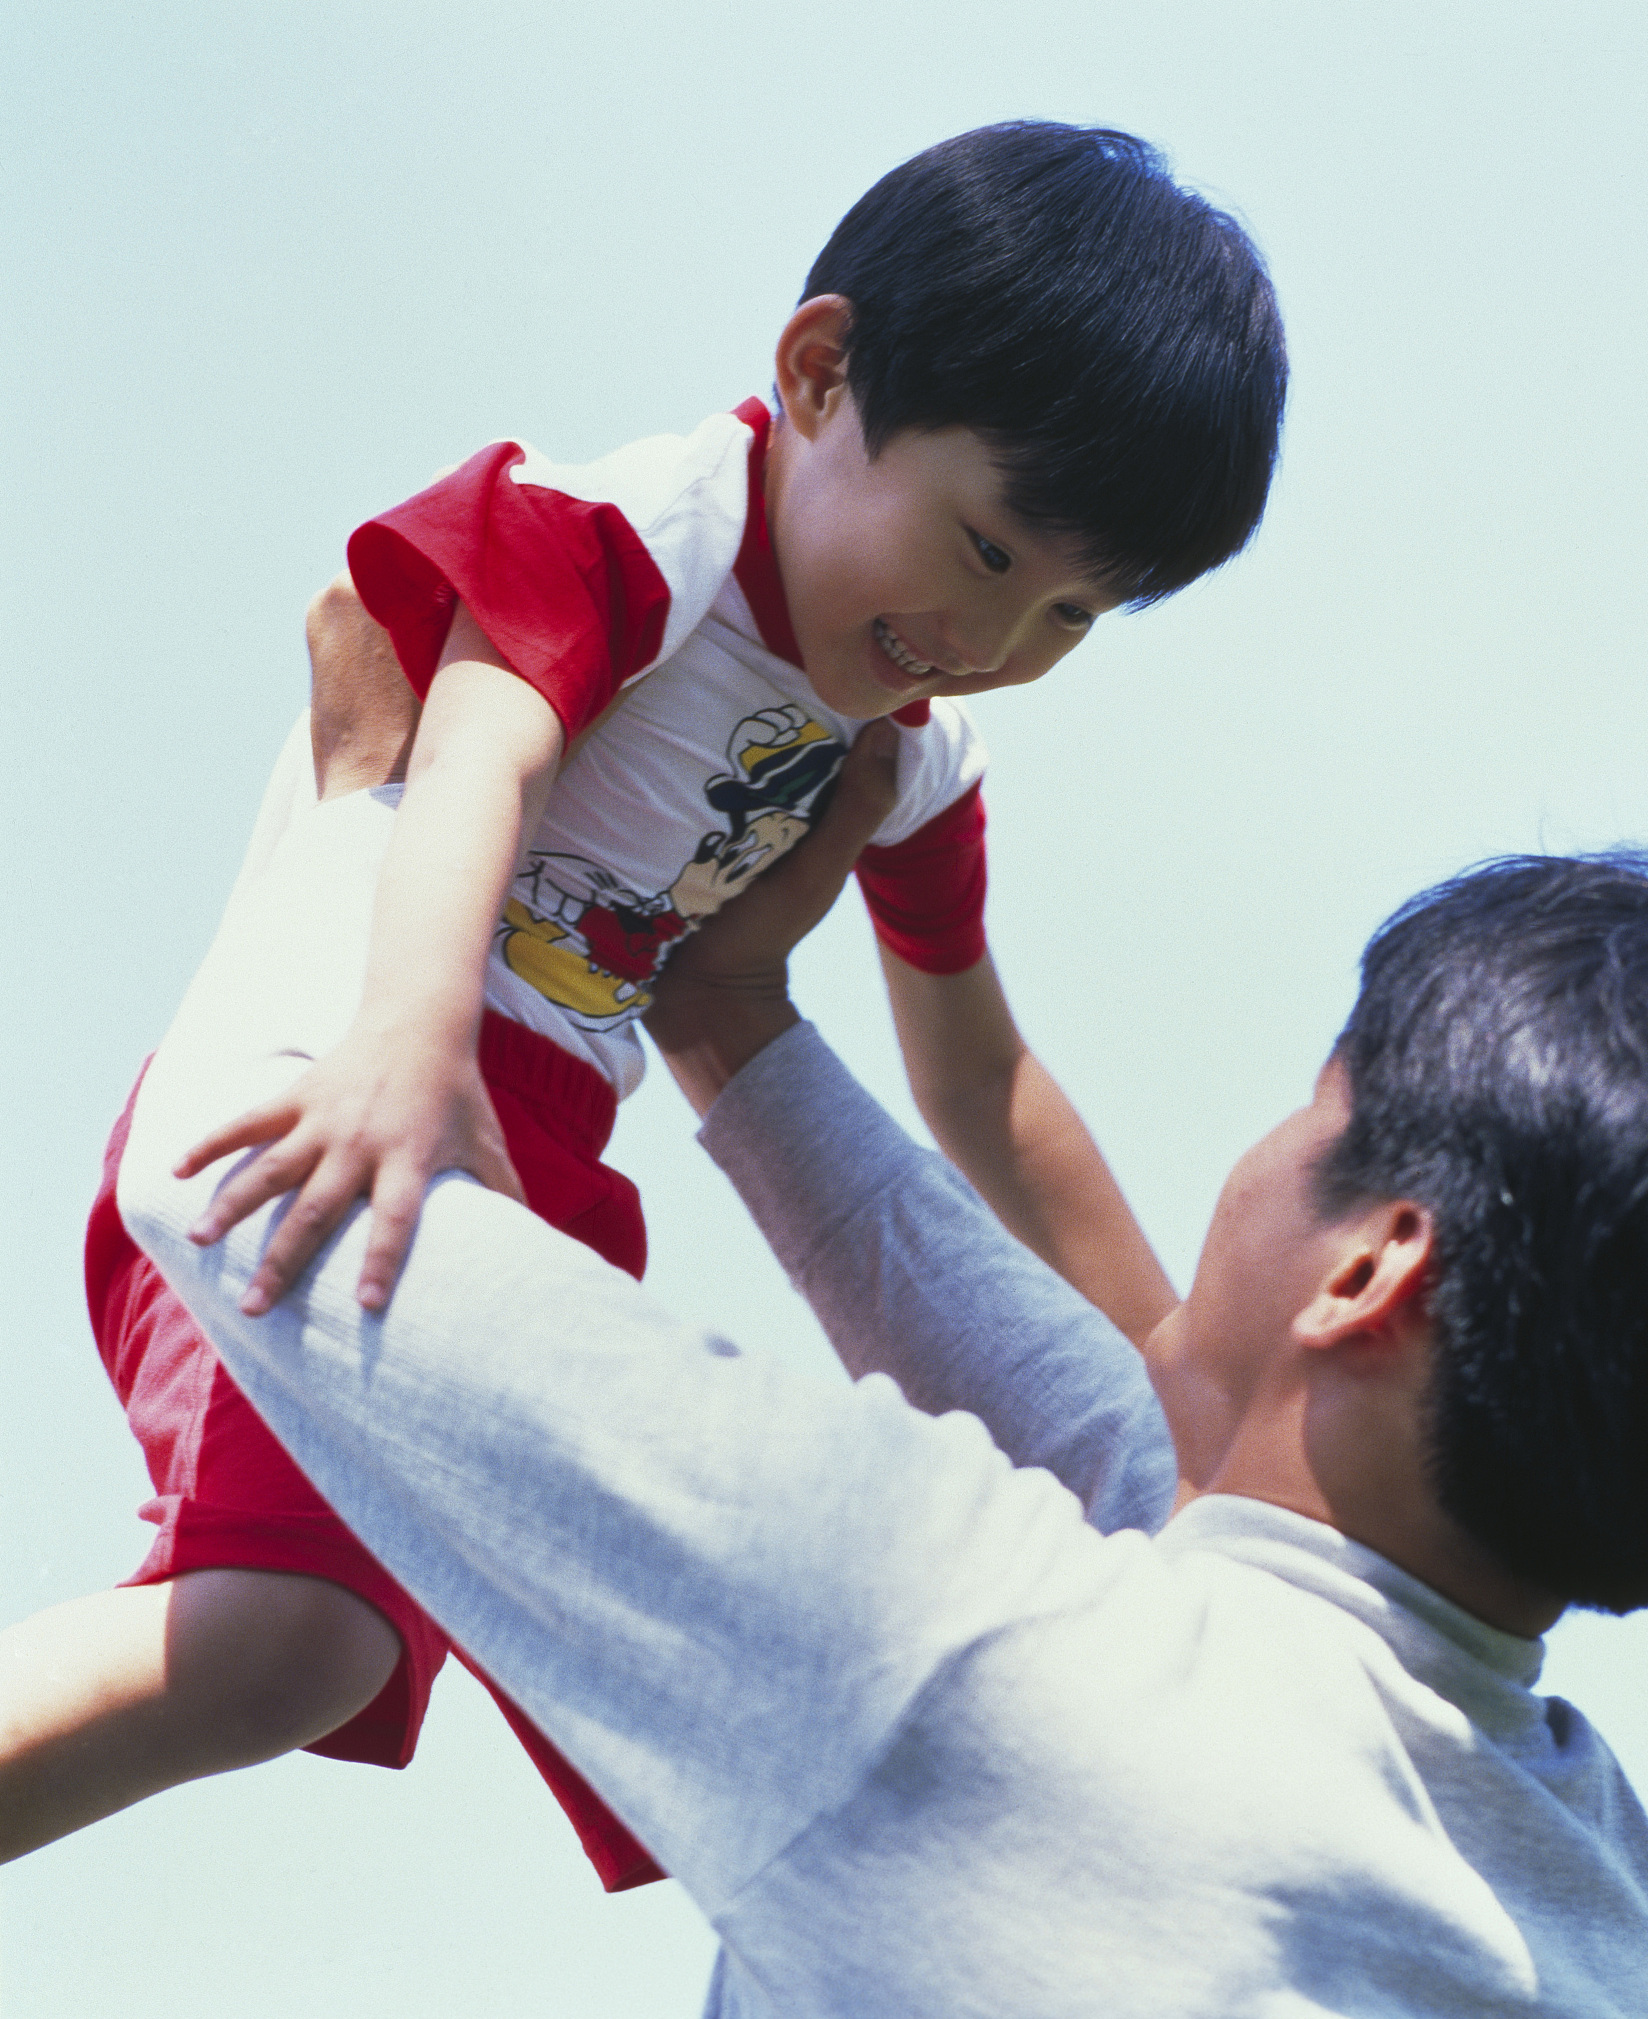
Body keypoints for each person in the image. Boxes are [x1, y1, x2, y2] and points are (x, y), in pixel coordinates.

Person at [100, 730, 1648, 2015]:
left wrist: (364, 794)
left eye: (1310, 1110)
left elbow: (228, 1180)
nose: (1247, 1161)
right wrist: (733, 1022)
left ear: (1373, 1264)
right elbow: (1163, 1493)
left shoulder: (974, 1666)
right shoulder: (1604, 1895)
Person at [0, 122, 1286, 1888]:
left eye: (1075, 615)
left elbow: (983, 1078)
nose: (997, 642)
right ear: (820, 376)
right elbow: (478, 740)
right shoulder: (649, 530)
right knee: (285, 1644)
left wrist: (1181, 1388)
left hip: (532, 1168)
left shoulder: (909, 756)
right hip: (342, 1074)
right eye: (989, 555)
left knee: (541, 1694)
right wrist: (408, 1027)